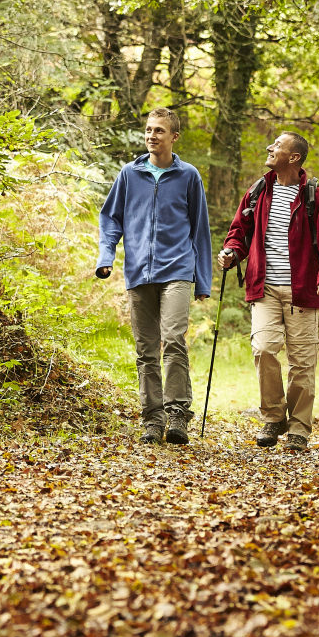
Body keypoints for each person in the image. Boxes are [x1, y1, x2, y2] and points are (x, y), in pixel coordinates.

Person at [218, 130, 319, 452]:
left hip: (302, 289)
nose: (270, 147)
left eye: (277, 145)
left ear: (294, 157)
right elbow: (239, 232)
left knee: (302, 362)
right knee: (263, 348)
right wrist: (232, 252)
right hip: (265, 288)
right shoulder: (259, 191)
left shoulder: (314, 195)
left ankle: (299, 427)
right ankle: (273, 416)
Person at [96, 107, 214, 445]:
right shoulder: (129, 174)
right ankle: (152, 418)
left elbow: (200, 231)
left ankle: (178, 414)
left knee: (174, 338)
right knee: (145, 349)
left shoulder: (188, 176)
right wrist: (107, 256)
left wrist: (202, 280)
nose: (151, 136)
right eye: (148, 129)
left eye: (159, 130)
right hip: (138, 271)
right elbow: (111, 219)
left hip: (177, 268)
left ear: (174, 137)